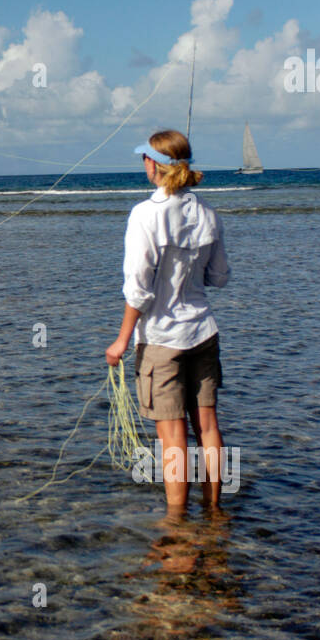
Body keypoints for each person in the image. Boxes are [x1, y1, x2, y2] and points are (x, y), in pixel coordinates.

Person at [104, 130, 231, 512]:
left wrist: (121, 342)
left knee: (172, 436)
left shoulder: (145, 215)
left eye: (144, 159)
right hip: (204, 331)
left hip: (161, 340)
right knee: (207, 427)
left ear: (152, 165)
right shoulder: (208, 213)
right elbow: (219, 277)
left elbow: (138, 291)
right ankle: (213, 510)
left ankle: (176, 522)